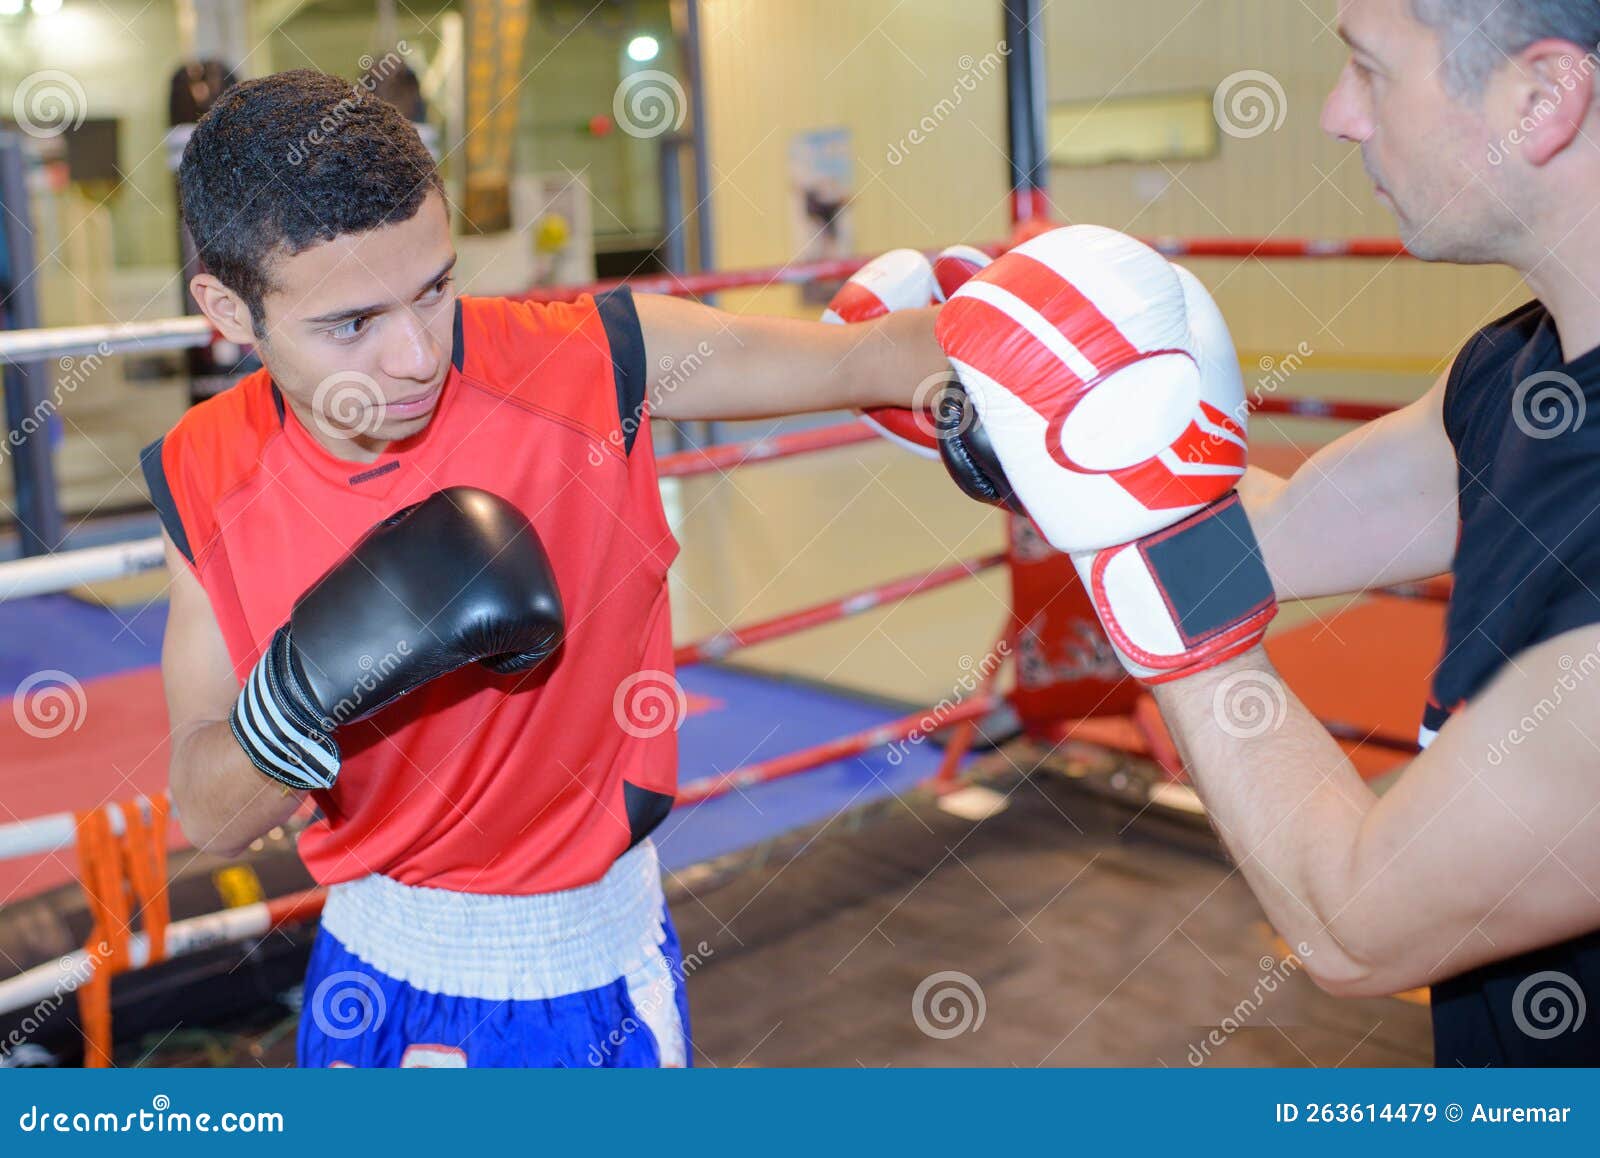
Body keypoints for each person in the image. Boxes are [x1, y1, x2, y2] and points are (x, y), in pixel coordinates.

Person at [142, 68, 948, 1068]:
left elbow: (868, 359)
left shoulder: (590, 361)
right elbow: (210, 810)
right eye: (352, 324)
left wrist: (1030, 365)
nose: (413, 356)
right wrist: (298, 700)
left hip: (576, 985)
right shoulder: (203, 472)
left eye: (435, 289)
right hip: (358, 980)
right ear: (225, 308)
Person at [935, 0, 1600, 1066]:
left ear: (1543, 97)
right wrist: (1034, 428)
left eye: (1370, 71)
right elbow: (1268, 529)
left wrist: (1172, 628)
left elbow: (1355, 919)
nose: (1339, 114)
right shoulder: (1518, 374)